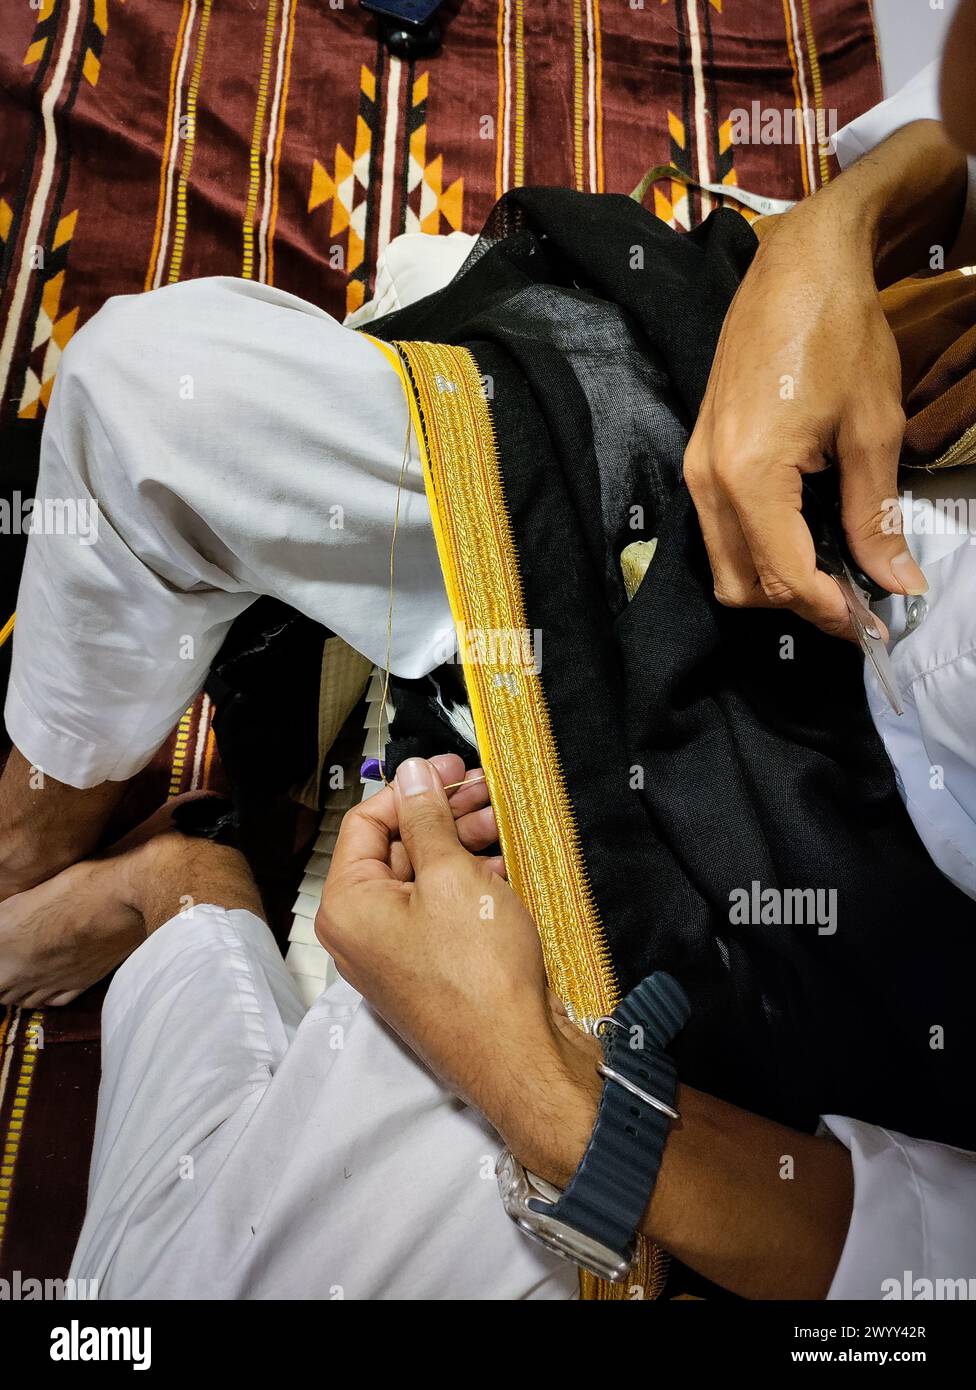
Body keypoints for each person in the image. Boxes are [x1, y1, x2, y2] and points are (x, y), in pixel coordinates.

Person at [3, 5, 976, 1298]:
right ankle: (35, 833)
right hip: (705, 500)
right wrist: (824, 250)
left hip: (801, 935)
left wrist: (538, 1082)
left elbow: (927, 1258)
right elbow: (944, 135)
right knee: (143, 393)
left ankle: (178, 894)